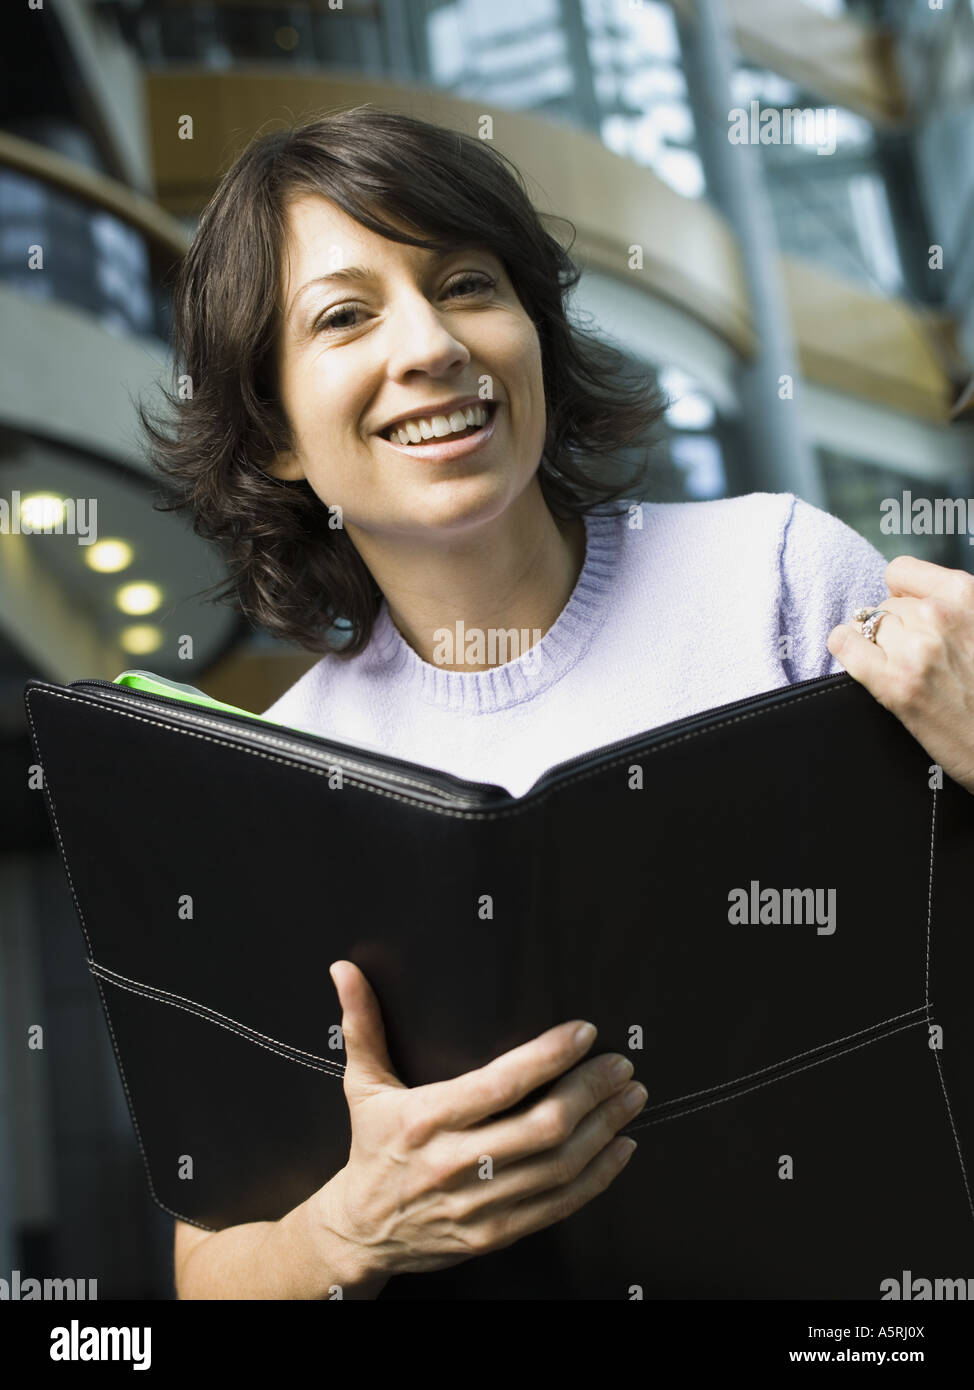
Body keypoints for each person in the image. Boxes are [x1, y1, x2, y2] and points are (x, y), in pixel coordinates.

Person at [143, 105, 974, 1299]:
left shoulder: (780, 577)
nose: (429, 345)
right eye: (343, 315)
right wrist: (349, 1233)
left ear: (531, 328)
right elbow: (204, 1271)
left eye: (467, 284)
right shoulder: (276, 777)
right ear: (272, 428)